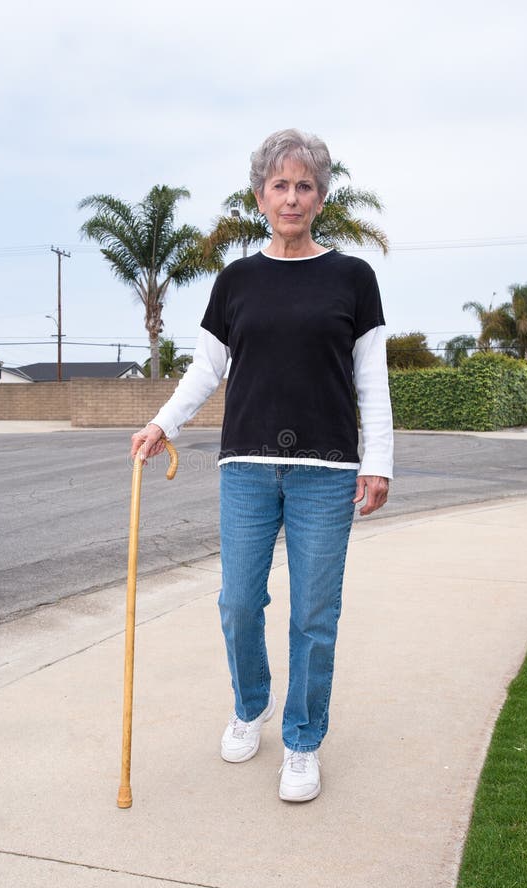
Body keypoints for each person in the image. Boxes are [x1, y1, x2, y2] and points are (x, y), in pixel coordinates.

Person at [131, 128, 393, 802]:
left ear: (321, 197)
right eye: (280, 185)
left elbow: (371, 381)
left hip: (327, 470)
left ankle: (302, 741)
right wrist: (163, 422)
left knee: (313, 614)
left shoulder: (353, 278)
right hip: (245, 465)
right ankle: (251, 706)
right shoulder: (236, 279)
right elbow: (207, 368)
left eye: (305, 185)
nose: (292, 196)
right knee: (240, 604)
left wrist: (378, 462)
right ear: (259, 196)